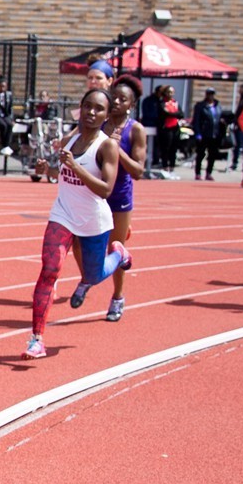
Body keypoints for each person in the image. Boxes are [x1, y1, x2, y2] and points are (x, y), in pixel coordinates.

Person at [25, 88, 130, 359]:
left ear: (106, 115)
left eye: (99, 109)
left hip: (94, 221)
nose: (92, 113)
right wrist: (46, 171)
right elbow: (61, 173)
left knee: (93, 276)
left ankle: (118, 254)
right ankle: (36, 339)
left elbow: (106, 189)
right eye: (88, 107)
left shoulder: (107, 146)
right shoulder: (70, 140)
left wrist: (76, 167)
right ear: (80, 108)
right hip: (63, 215)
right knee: (50, 269)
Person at [103, 75, 146, 322]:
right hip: (96, 193)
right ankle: (88, 279)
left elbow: (138, 171)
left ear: (131, 104)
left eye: (123, 99)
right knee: (79, 243)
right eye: (114, 97)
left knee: (115, 248)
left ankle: (118, 296)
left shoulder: (135, 130)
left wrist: (117, 150)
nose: (117, 102)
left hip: (119, 196)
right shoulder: (99, 123)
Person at [190, 87, 225, 181]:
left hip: (215, 134)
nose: (211, 96)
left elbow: (220, 117)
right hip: (204, 133)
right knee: (201, 154)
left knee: (212, 154)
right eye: (209, 94)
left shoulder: (217, 105)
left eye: (212, 94)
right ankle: (198, 173)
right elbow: (196, 120)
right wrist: (198, 133)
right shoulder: (200, 106)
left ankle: (209, 173)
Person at [152, 85, 182, 171]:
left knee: (174, 148)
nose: (170, 94)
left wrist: (172, 113)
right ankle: (165, 165)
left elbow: (181, 114)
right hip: (165, 128)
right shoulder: (162, 103)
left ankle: (172, 166)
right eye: (168, 92)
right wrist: (173, 114)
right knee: (165, 148)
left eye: (172, 92)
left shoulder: (175, 102)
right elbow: (164, 113)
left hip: (175, 128)